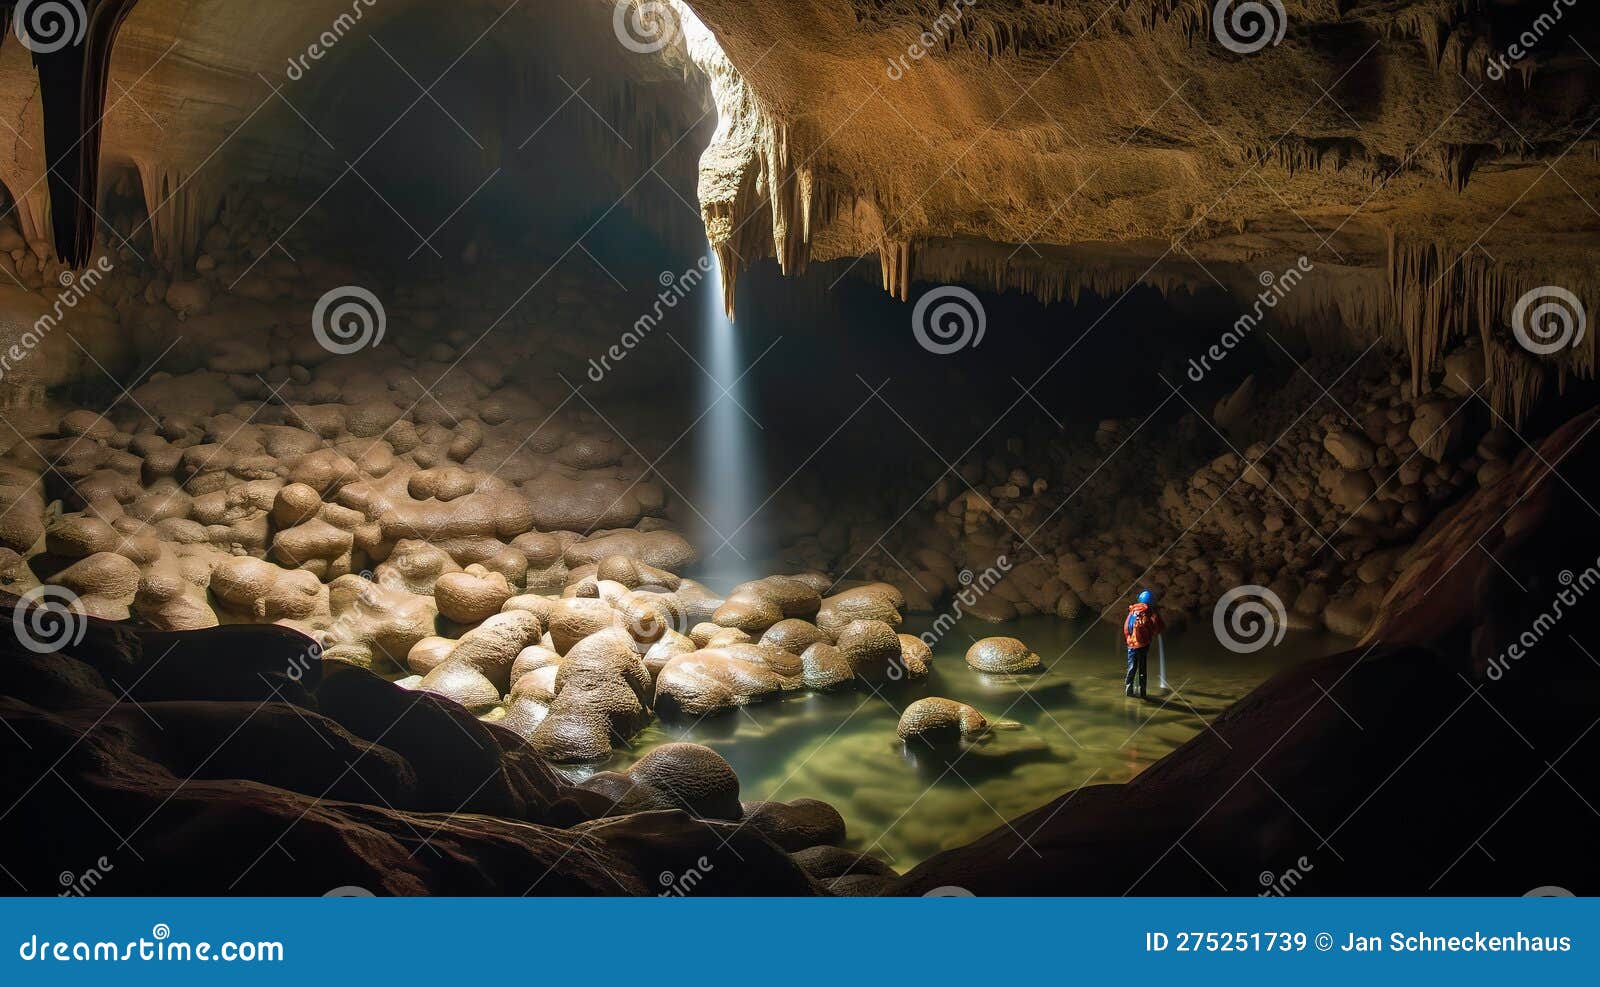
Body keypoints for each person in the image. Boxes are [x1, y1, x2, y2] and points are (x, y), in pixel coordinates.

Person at [1123, 589, 1164, 699]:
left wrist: (1129, 639)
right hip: (1143, 645)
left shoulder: (1132, 611)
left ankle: (1129, 688)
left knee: (1132, 666)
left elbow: (1126, 628)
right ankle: (1142, 691)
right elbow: (1157, 629)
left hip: (1131, 645)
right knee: (1142, 668)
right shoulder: (1149, 613)